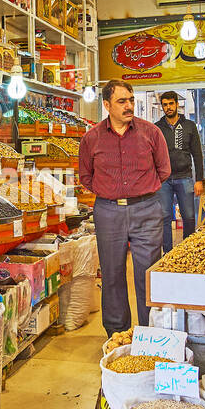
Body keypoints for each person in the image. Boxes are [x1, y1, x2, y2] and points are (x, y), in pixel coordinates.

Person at [78, 80, 171, 337]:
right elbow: (85, 176)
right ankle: (117, 334)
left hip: (147, 209)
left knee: (148, 272)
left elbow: (164, 170)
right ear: (107, 105)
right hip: (108, 212)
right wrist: (111, 192)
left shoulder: (151, 133)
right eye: (122, 101)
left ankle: (150, 333)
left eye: (130, 99)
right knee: (111, 273)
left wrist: (140, 191)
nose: (129, 105)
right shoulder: (92, 138)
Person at [153, 91, 205, 251]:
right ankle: (168, 254)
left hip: (185, 178)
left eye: (170, 104)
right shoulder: (157, 128)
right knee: (165, 217)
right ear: (162, 107)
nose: (168, 107)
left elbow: (197, 153)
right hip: (164, 181)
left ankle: (187, 251)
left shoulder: (189, 126)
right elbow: (152, 155)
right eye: (165, 105)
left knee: (189, 217)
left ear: (177, 104)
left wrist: (199, 180)